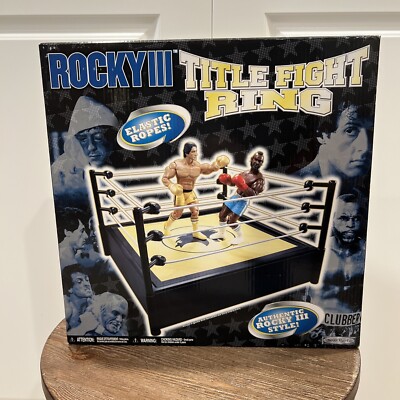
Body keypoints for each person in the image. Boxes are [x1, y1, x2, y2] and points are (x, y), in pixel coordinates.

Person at [51, 96, 119, 207]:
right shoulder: (61, 173)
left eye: (98, 137)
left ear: (112, 138)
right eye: (83, 139)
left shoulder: (130, 165)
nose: (91, 147)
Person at [296, 101, 373, 193]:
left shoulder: (361, 194)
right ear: (323, 136)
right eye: (350, 130)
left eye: (371, 133)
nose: (366, 148)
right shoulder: (291, 189)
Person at [308, 194, 366, 313]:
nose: (350, 225)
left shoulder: (367, 252)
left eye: (356, 218)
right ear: (332, 219)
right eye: (343, 218)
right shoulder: (316, 251)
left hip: (354, 321)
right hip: (320, 319)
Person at [162, 142, 229, 240]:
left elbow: (210, 168)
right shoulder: (176, 165)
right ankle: (166, 226)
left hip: (190, 193)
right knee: (177, 214)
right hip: (180, 193)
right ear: (187, 153)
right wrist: (171, 186)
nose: (196, 154)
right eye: (193, 151)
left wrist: (218, 164)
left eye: (196, 151)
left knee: (195, 211)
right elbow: (165, 178)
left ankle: (195, 232)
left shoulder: (198, 166)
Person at [211, 151, 265, 245]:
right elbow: (234, 183)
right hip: (235, 196)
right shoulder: (244, 173)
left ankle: (240, 237)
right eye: (256, 159)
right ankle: (221, 234)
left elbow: (253, 194)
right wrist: (227, 180)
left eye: (260, 161)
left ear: (262, 163)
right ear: (251, 159)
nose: (257, 162)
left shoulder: (259, 179)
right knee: (222, 215)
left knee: (232, 221)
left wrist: (243, 185)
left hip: (243, 201)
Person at [62, 264, 94, 330]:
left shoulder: (96, 304)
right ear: (70, 289)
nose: (87, 284)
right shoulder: (67, 310)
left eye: (87, 279)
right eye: (79, 282)